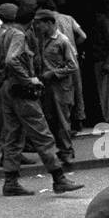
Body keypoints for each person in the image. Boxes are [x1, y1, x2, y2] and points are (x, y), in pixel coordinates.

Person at [0, 2, 83, 197]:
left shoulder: (2, 34)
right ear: (30, 21)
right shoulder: (19, 35)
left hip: (8, 90)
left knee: (13, 135)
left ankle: (11, 181)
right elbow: (12, 60)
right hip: (22, 91)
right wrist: (28, 79)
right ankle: (58, 178)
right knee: (42, 135)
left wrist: (0, 80)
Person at [31, 9, 79, 169]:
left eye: (40, 23)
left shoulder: (62, 41)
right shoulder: (42, 40)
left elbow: (73, 66)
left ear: (50, 23)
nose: (38, 27)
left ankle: (67, 153)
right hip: (47, 87)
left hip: (61, 87)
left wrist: (54, 73)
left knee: (62, 121)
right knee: (50, 118)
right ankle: (60, 151)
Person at [92, 4, 109, 124]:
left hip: (104, 60)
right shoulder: (102, 23)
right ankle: (108, 116)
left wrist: (107, 62)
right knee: (104, 90)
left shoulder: (105, 23)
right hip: (101, 59)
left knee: (107, 90)